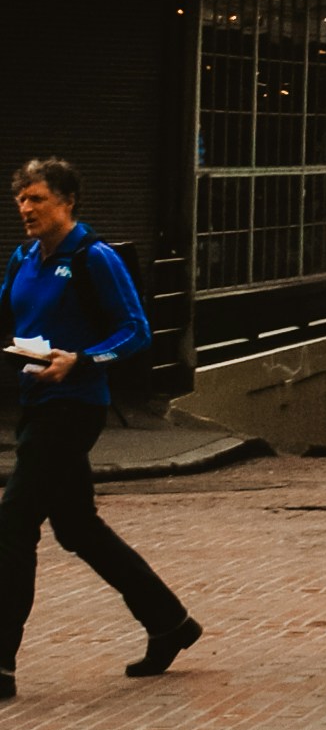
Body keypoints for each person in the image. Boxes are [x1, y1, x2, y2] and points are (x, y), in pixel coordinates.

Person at [0, 155, 199, 699]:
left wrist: (81, 360)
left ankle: (1, 664)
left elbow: (134, 331)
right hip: (37, 404)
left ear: (66, 201)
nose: (25, 208)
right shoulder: (23, 260)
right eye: (21, 199)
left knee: (13, 521)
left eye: (36, 198)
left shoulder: (95, 257)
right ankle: (170, 623)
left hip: (77, 404)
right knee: (77, 527)